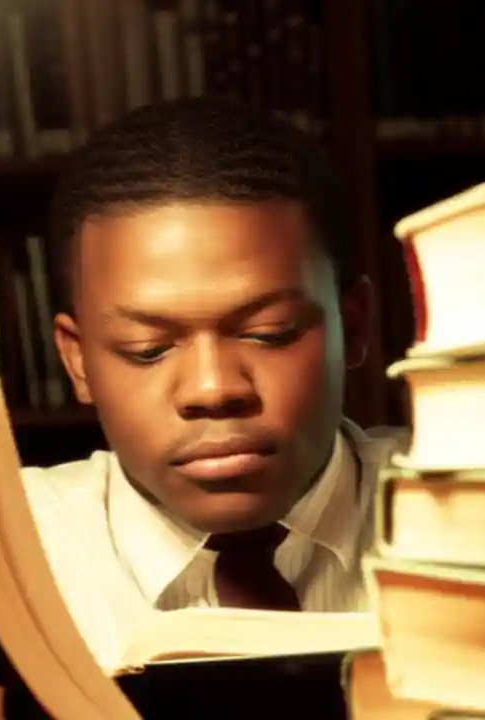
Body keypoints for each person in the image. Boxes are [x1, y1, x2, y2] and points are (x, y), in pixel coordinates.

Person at [20, 96, 405, 665]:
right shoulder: (0, 550)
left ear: (354, 326)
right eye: (147, 350)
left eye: (270, 333)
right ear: (78, 362)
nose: (213, 389)